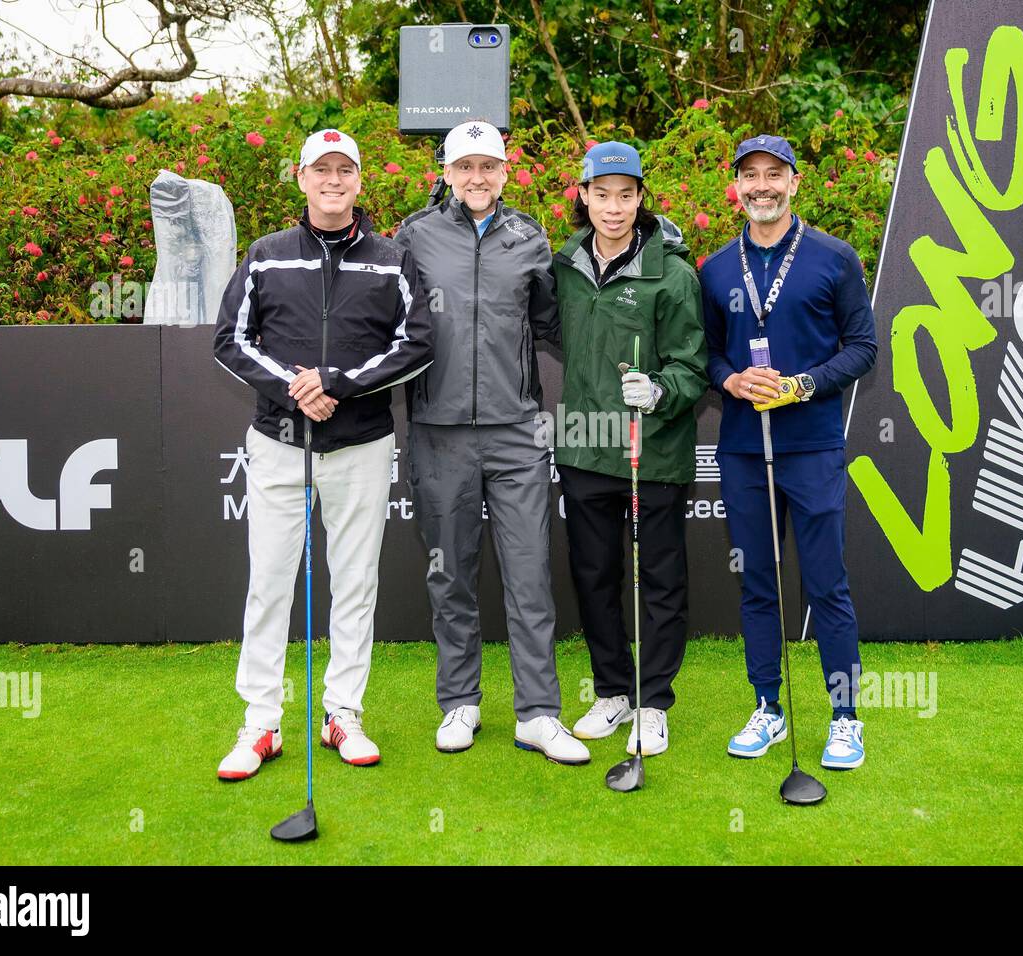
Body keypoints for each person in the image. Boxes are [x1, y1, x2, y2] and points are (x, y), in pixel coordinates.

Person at [213, 128, 433, 781]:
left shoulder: (393, 259)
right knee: (269, 584)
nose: (333, 181)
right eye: (321, 171)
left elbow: (416, 342)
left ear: (359, 182)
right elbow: (230, 339)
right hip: (280, 442)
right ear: (302, 179)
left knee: (356, 584)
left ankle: (344, 714)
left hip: (361, 443)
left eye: (345, 171)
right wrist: (293, 388)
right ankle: (261, 725)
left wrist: (337, 383)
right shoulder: (266, 254)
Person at [393, 120, 589, 764]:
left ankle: (537, 714)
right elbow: (386, 322)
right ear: (446, 173)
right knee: (450, 574)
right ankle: (460, 703)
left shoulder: (529, 238)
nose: (478, 178)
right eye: (465, 167)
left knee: (530, 575)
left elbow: (555, 325)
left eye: (490, 167)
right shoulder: (415, 237)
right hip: (439, 430)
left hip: (517, 429)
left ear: (506, 172)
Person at [700, 134, 877, 768]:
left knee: (826, 584)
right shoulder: (717, 268)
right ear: (737, 187)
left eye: (774, 175)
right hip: (744, 448)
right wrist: (731, 381)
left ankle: (846, 718)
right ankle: (768, 709)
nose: (762, 186)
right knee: (757, 583)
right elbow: (710, 353)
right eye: (750, 176)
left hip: (813, 445)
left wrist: (803, 385)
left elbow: (863, 348)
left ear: (795, 183)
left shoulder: (833, 258)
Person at [554, 141, 708, 758]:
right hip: (585, 447)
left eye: (626, 195)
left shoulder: (671, 272)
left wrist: (661, 389)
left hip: (654, 452)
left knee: (661, 579)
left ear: (641, 199)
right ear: (583, 198)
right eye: (601, 194)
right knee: (595, 577)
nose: (613, 208)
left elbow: (692, 367)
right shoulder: (563, 266)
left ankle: (653, 704)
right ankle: (613, 691)